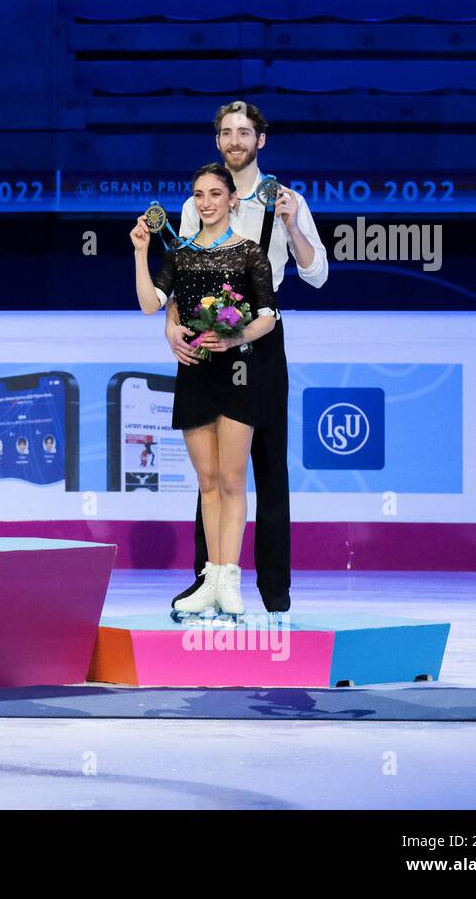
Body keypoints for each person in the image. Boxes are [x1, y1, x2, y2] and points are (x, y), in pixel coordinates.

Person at [170, 101, 328, 614]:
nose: (234, 140)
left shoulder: (286, 198)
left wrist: (292, 224)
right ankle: (209, 579)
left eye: (244, 132)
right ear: (217, 141)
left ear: (261, 140)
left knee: (267, 467)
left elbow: (316, 272)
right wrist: (173, 326)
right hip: (204, 340)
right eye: (226, 132)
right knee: (213, 471)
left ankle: (274, 591)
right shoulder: (201, 199)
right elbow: (184, 271)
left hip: (260, 338)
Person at [132, 163, 278, 620]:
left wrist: (234, 339)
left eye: (216, 193)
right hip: (195, 372)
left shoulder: (252, 253)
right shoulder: (180, 254)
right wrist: (140, 253)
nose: (207, 202)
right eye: (199, 194)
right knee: (208, 483)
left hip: (238, 373)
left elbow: (269, 315)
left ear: (232, 199)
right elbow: (151, 304)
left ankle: (229, 579)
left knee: (233, 480)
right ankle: (211, 581)